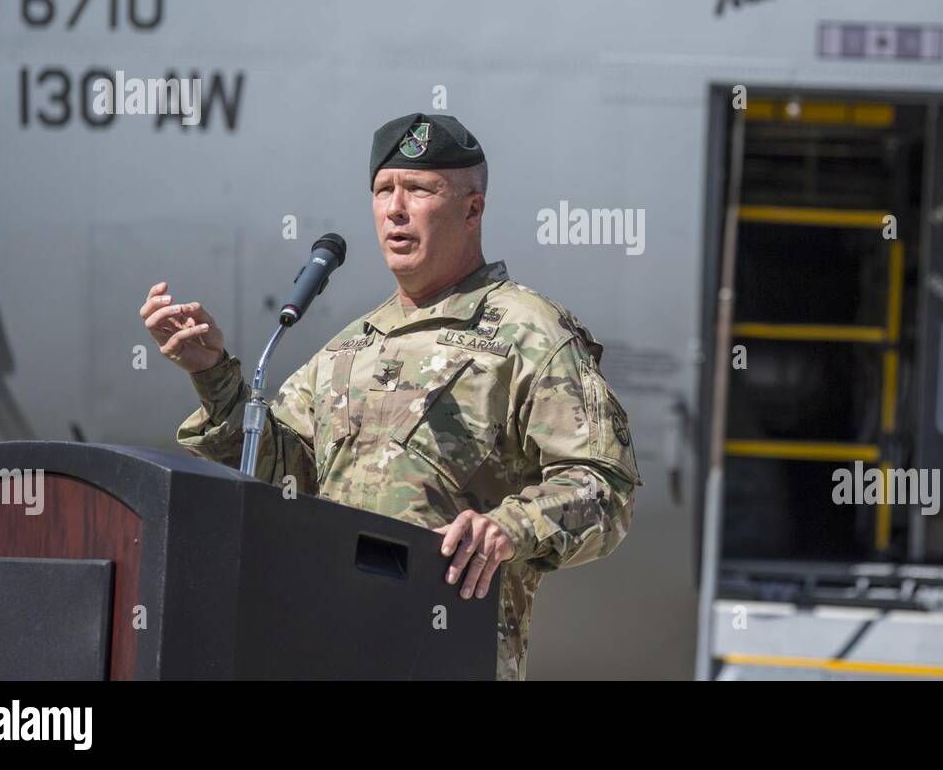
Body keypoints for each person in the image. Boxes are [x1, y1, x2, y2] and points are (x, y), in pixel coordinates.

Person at [139, 113, 642, 680]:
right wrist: (212, 374)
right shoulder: (350, 347)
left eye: (420, 190)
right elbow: (279, 472)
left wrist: (509, 527)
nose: (394, 209)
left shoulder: (529, 333)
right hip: (328, 650)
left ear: (472, 209)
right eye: (383, 191)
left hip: (449, 654)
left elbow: (606, 488)